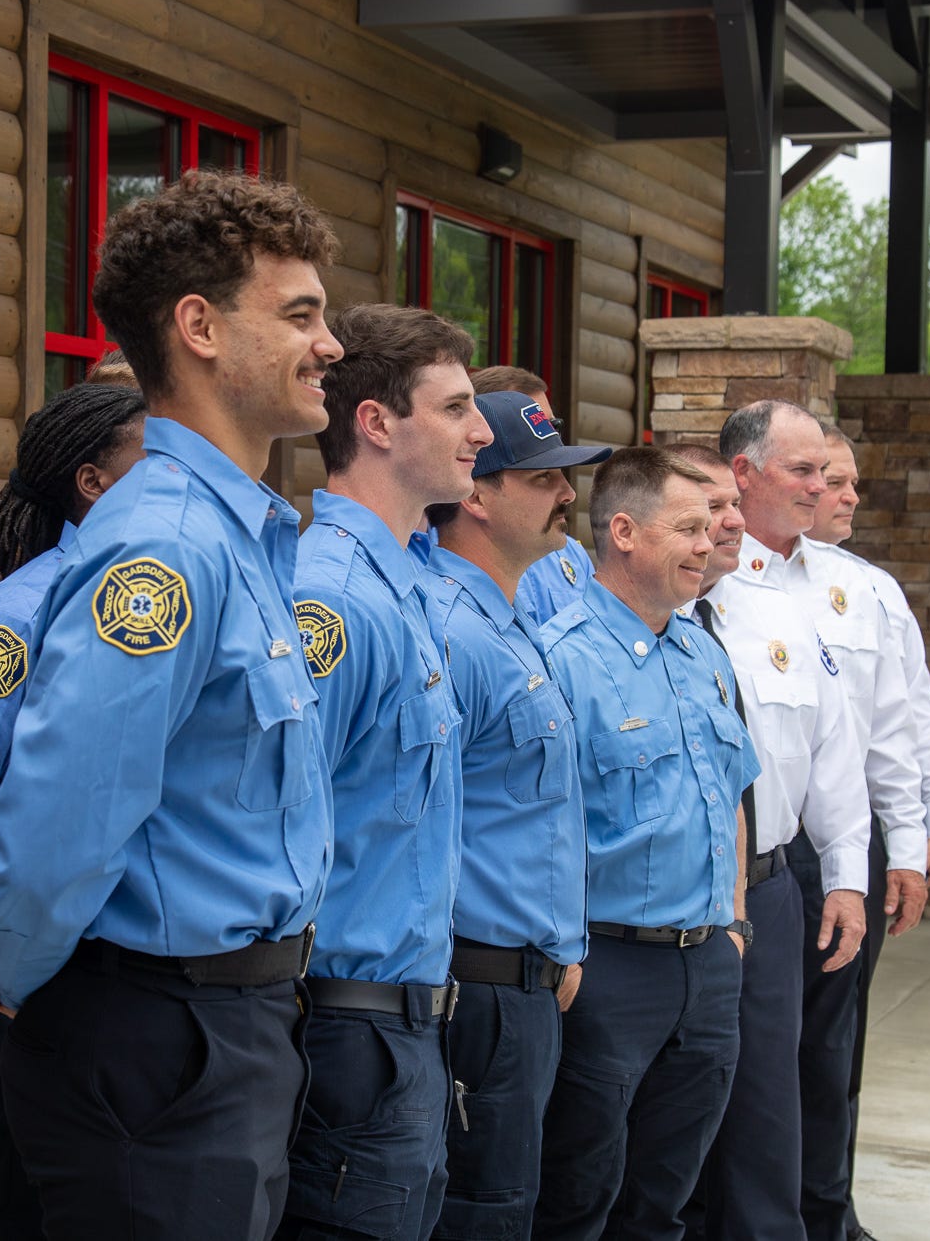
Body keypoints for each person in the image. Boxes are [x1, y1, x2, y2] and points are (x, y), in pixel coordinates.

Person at [0, 170, 343, 1239]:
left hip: (227, 1026)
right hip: (154, 1033)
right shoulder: (168, 546)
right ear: (199, 328)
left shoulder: (240, 533)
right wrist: (7, 979)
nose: (329, 345)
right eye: (300, 315)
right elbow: (61, 814)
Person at [276, 304, 490, 1240]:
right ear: (375, 422)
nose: (481, 431)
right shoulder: (334, 595)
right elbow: (278, 811)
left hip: (405, 1023)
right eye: (456, 408)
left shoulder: (405, 584)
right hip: (343, 1025)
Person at [0, 381, 145, 1241]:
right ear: (90, 481)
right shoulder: (17, 616)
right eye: (149, 456)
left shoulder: (158, 592)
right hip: (17, 991)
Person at [534, 447, 757, 1241]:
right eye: (689, 527)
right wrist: (565, 955)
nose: (711, 542)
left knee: (664, 1201)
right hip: (605, 971)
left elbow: (730, 793)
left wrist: (732, 923)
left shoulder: (702, 652)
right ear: (623, 531)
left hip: (705, 964)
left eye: (711, 526)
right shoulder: (561, 658)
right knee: (577, 1195)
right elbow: (537, 825)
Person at [716, 402, 927, 1241]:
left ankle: (823, 1216)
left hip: (811, 855)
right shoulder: (711, 581)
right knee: (734, 1073)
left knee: (819, 1058)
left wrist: (877, 857)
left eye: (826, 473)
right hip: (734, 863)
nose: (822, 487)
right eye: (804, 471)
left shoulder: (852, 584)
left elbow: (885, 732)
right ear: (746, 474)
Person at [665, 443, 869, 1241]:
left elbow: (836, 758)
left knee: (765, 1110)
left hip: (771, 887)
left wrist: (847, 878)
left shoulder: (779, 613)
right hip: (661, 900)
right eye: (701, 511)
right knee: (666, 1108)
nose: (723, 524)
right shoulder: (621, 621)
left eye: (727, 508)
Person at [425, 392, 609, 1239]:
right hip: (478, 985)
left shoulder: (507, 617)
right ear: (478, 495)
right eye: (543, 478)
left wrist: (560, 944)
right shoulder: (452, 630)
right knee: (481, 1214)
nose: (566, 493)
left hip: (525, 981)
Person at [803, 424, 930, 1241]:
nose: (847, 494)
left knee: (835, 1039)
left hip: (852, 838)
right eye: (830, 477)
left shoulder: (868, 589)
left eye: (848, 479)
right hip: (765, 844)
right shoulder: (730, 579)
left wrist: (928, 826)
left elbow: (907, 722)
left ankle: (828, 1205)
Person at [470, 365, 599, 626]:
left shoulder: (571, 554)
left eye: (552, 424)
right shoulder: (442, 553)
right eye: (531, 423)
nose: (547, 434)